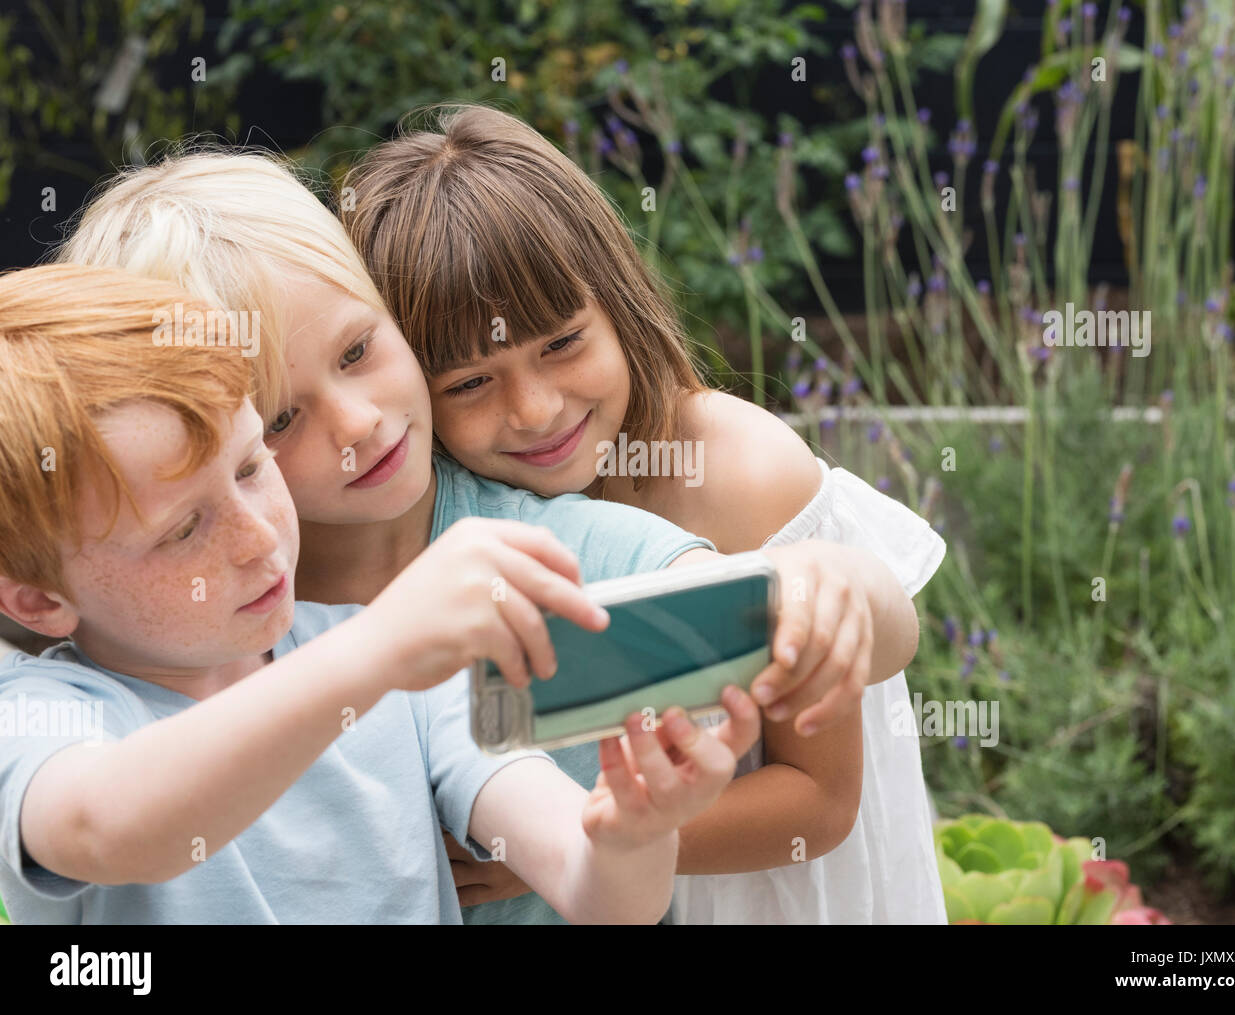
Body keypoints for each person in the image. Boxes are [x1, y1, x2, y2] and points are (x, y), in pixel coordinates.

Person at [57, 148, 920, 924]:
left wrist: (824, 578)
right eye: (281, 416)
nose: (356, 421)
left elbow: (808, 635)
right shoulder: (194, 627)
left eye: (358, 350)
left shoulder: (554, 549)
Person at [0, 264, 768, 924]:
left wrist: (634, 833)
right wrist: (380, 648)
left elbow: (596, 891)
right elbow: (106, 825)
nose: (259, 538)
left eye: (248, 468)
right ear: (35, 601)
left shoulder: (397, 673)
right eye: (179, 531)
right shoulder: (39, 715)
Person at [339, 104, 949, 924]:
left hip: (764, 887)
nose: (536, 409)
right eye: (471, 383)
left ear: (616, 301)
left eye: (561, 343)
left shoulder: (737, 474)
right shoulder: (456, 511)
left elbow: (820, 800)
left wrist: (561, 857)